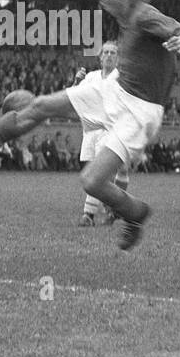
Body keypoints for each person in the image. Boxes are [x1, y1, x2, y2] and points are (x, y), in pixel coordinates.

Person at [0, 0, 180, 250]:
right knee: (43, 104)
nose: (101, 1)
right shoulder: (125, 16)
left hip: (138, 111)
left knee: (92, 181)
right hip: (115, 88)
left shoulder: (143, 15)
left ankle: (135, 213)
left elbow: (174, 28)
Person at [73, 41, 130, 226]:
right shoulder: (91, 77)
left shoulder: (123, 79)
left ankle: (88, 215)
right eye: (105, 52)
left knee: (98, 173)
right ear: (99, 57)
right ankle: (115, 208)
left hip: (112, 130)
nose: (109, 55)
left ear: (118, 58)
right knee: (101, 173)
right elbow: (75, 96)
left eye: (113, 52)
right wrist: (76, 81)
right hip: (91, 132)